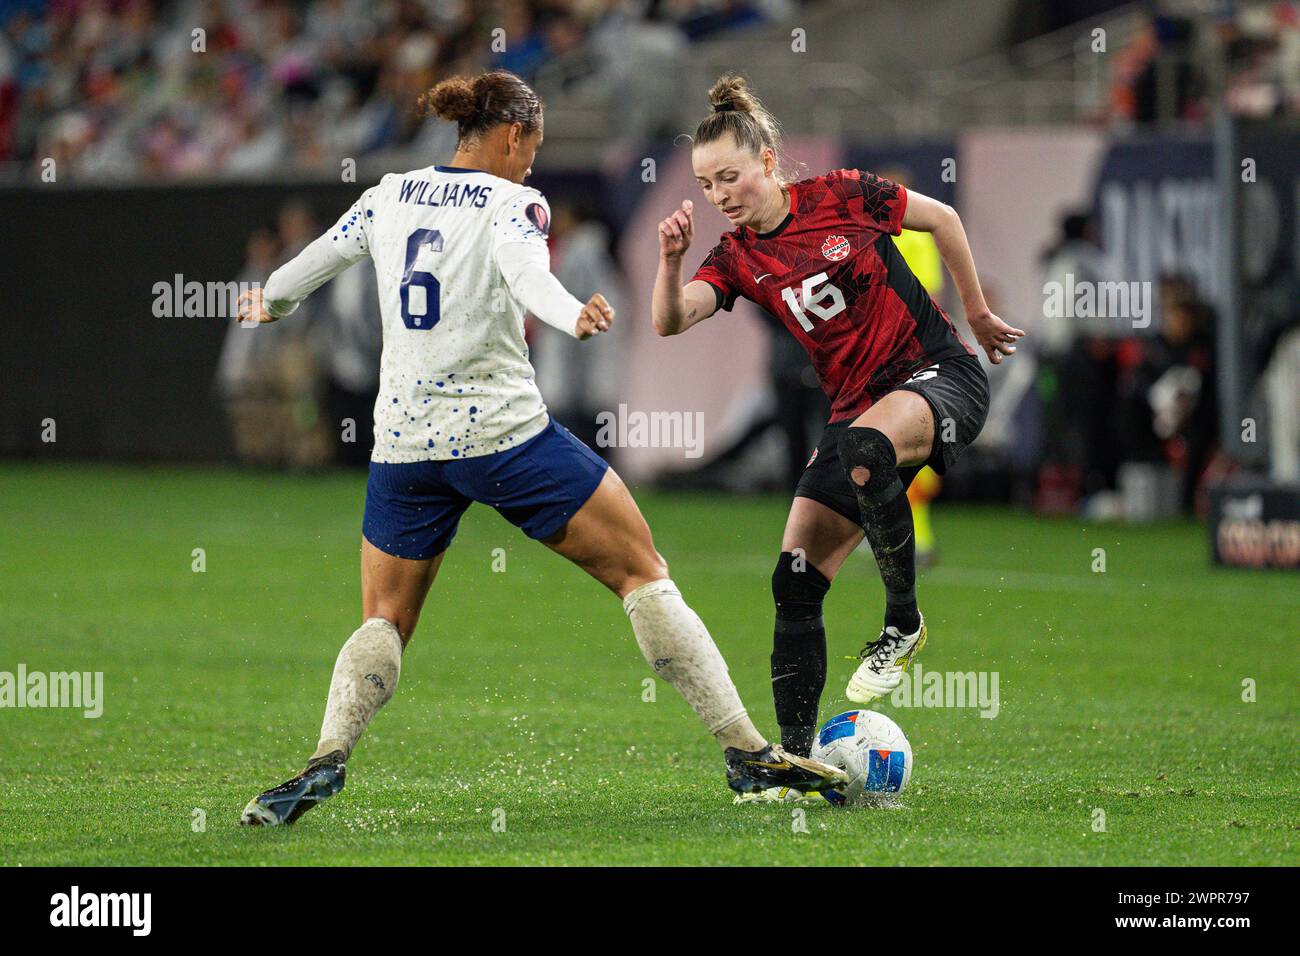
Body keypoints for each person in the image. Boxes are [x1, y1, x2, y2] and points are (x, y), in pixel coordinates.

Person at [234, 70, 843, 826]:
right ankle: (748, 754)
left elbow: (315, 262)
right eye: (535, 146)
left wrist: (269, 300)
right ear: (515, 134)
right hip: (502, 436)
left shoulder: (389, 192)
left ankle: (326, 759)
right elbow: (530, 275)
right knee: (641, 571)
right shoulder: (512, 200)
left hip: (404, 442)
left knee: (384, 618)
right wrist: (570, 315)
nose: (533, 162)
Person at [651, 75, 1024, 785]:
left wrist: (974, 313)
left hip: (939, 374)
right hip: (857, 410)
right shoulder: (736, 256)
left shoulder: (843, 195)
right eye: (706, 185)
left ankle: (903, 625)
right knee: (793, 579)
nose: (721, 194)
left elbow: (942, 217)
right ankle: (792, 757)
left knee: (865, 448)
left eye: (730, 175)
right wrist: (670, 264)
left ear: (767, 161)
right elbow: (670, 320)